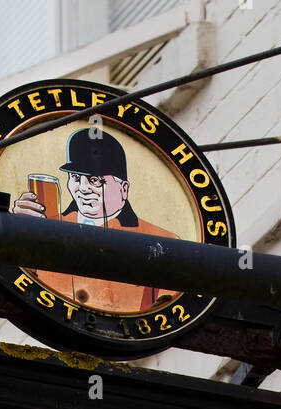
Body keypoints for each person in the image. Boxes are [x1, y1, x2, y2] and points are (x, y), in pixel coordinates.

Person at [12, 128, 178, 314]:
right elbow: (23, 286)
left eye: (95, 180)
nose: (83, 188)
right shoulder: (43, 231)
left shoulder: (163, 242)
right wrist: (16, 235)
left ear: (123, 189)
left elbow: (169, 308)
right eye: (75, 177)